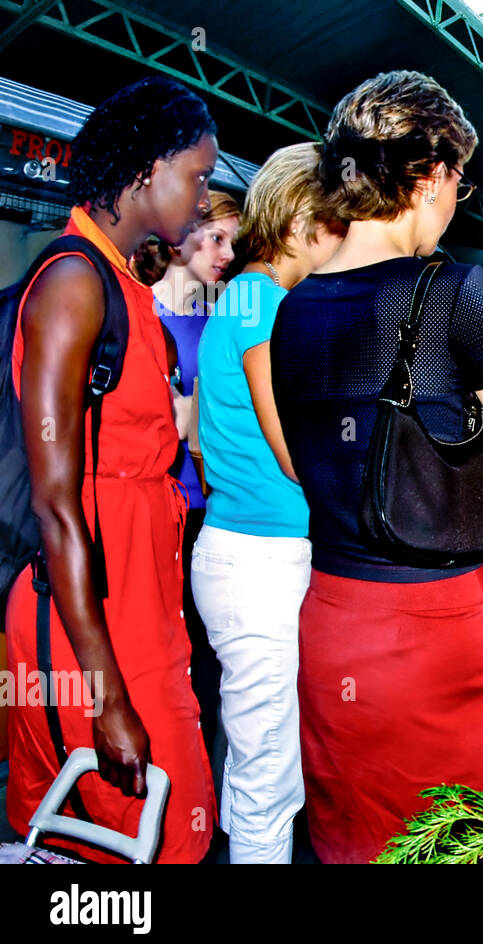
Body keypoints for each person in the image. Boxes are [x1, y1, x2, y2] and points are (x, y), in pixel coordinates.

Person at [270, 70, 483, 864]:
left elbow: (312, 465)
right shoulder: (456, 292)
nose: (457, 197)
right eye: (458, 179)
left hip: (331, 622)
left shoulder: (290, 311)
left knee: (354, 835)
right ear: (428, 177)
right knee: (465, 841)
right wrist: (440, 480)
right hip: (437, 630)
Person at [5, 76, 219, 863]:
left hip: (135, 605)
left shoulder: (121, 284)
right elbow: (58, 505)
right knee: (155, 827)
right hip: (92, 625)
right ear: (144, 171)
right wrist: (107, 698)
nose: (204, 197)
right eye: (196, 176)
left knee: (122, 841)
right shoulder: (72, 285)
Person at [191, 143, 345, 864]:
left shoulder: (244, 299)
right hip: (259, 563)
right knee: (268, 771)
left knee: (260, 756)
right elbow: (295, 450)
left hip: (246, 552)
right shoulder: (267, 305)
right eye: (338, 222)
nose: (347, 238)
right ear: (299, 222)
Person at [143, 189, 241, 760]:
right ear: (179, 234)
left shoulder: (220, 317)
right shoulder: (142, 311)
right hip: (164, 514)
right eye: (215, 236)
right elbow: (168, 426)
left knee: (209, 662)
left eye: (233, 240)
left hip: (215, 513)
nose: (226, 252)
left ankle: (194, 800)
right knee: (165, 658)